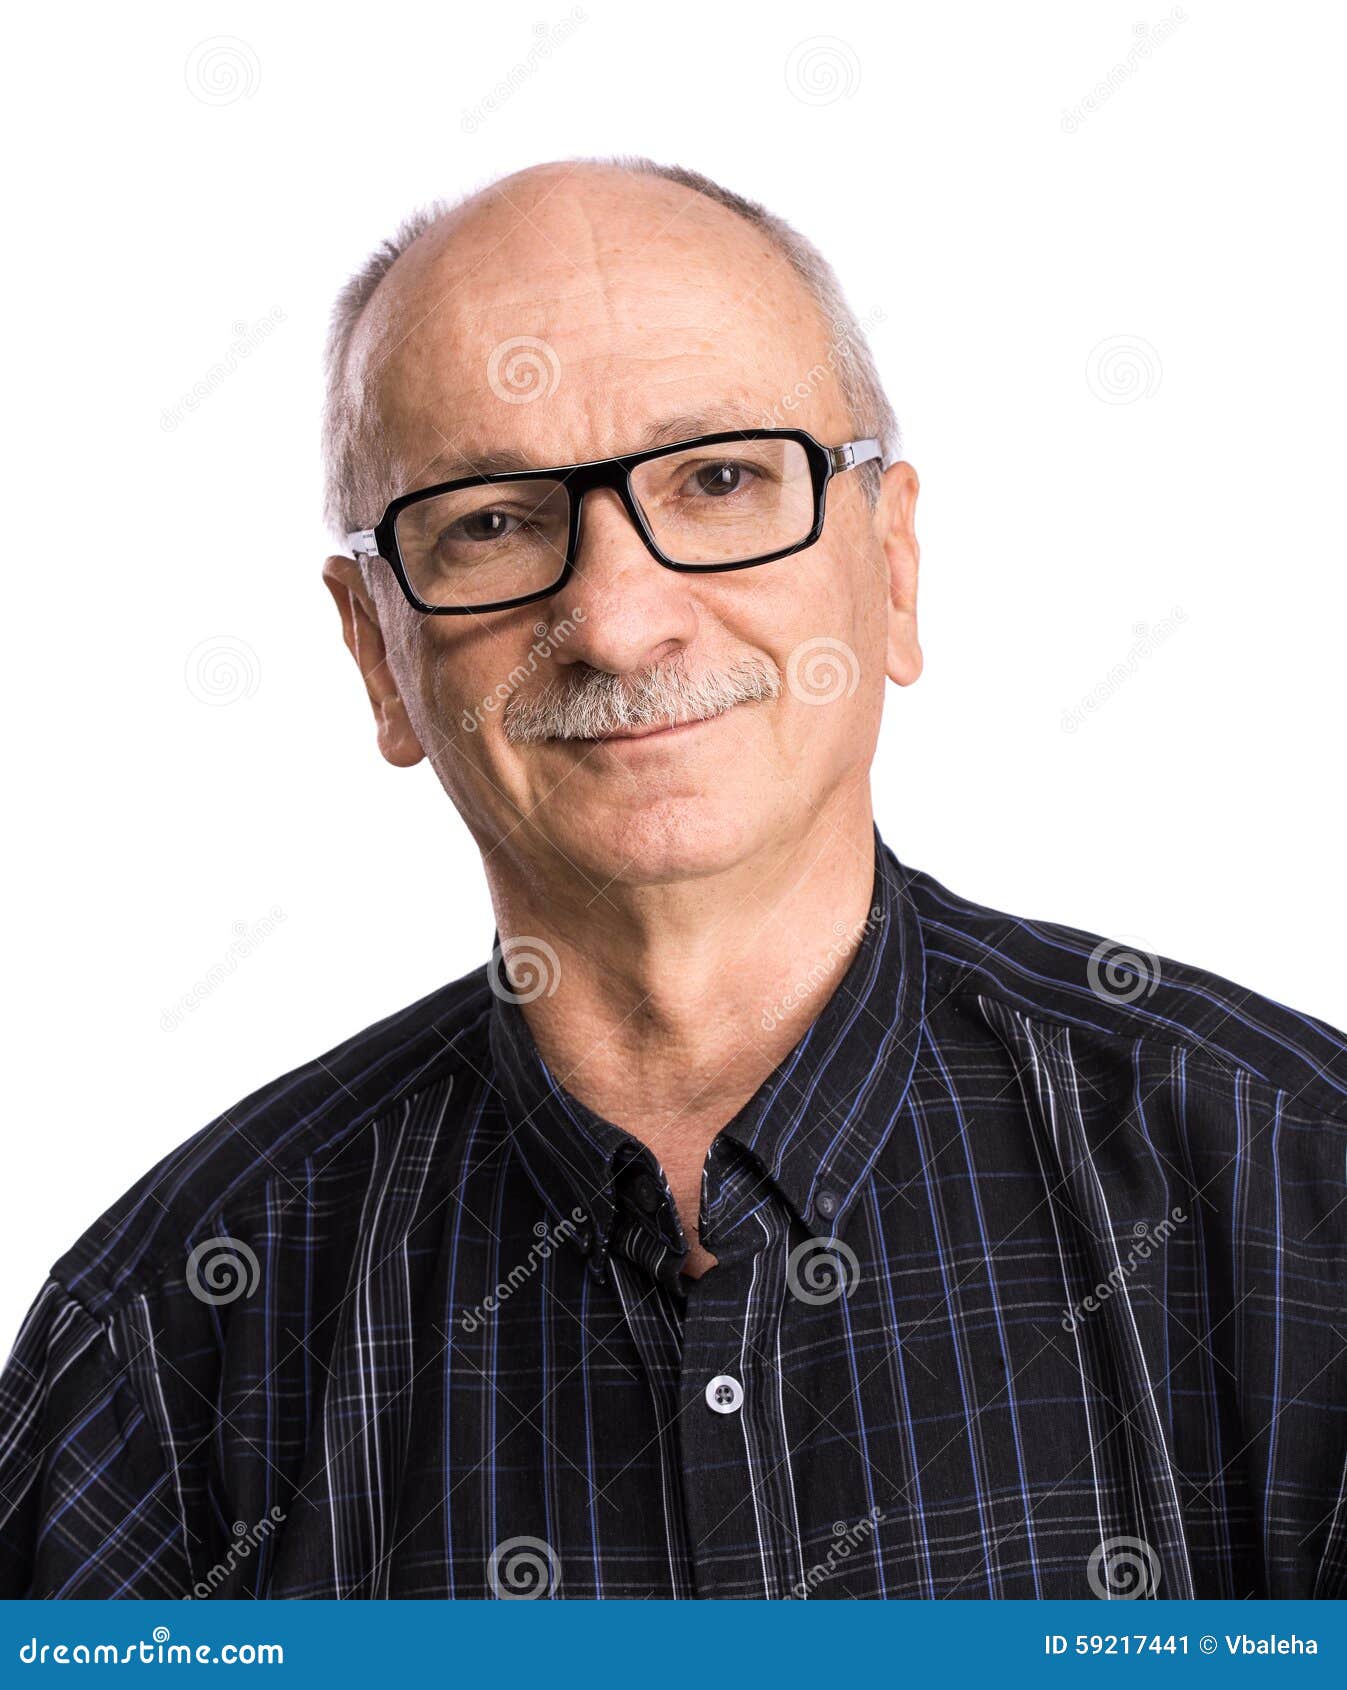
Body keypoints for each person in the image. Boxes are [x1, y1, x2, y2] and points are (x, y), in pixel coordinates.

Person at [2, 157, 1343, 1601]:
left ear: (892, 564)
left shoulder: (1301, 1197)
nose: (617, 621)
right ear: (377, 652)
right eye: (491, 521)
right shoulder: (161, 1348)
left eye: (718, 479)